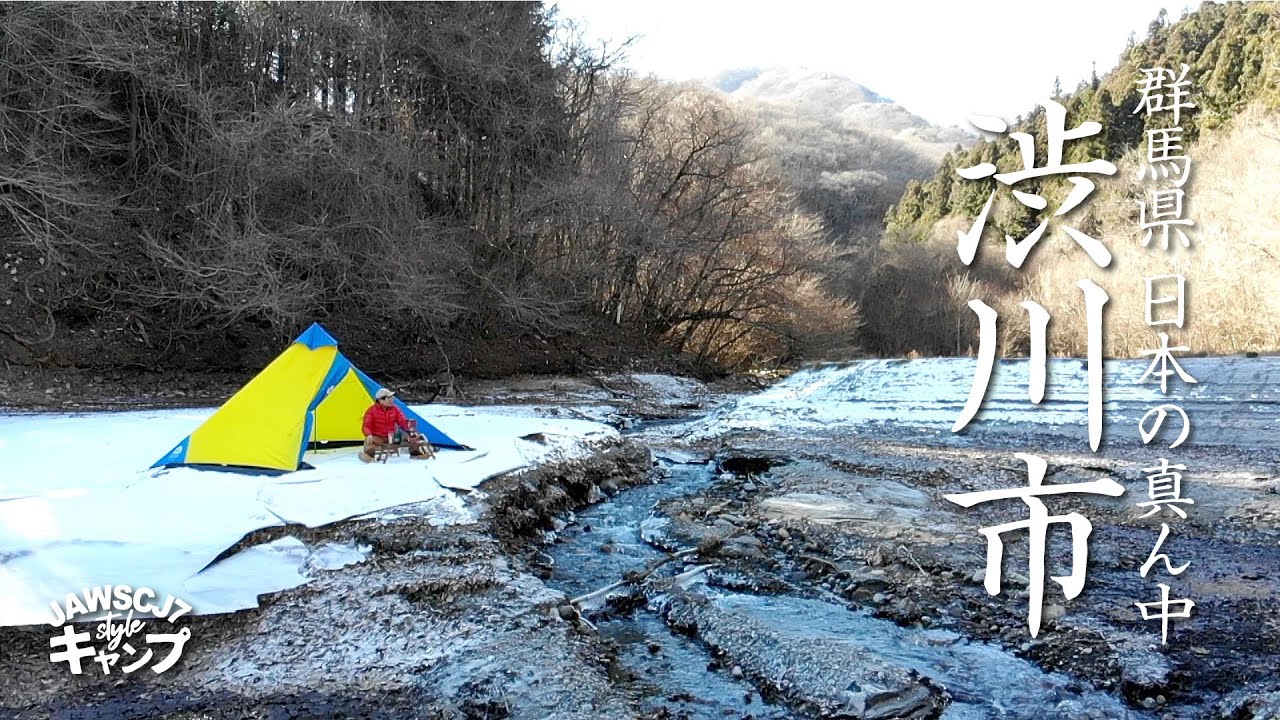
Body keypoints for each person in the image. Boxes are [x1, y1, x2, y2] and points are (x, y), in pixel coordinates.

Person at [359, 388, 433, 462]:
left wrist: (410, 430)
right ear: (380, 400)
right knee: (369, 440)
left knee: (412, 437)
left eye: (392, 397)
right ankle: (369, 456)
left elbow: (402, 422)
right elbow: (366, 426)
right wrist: (368, 435)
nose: (392, 400)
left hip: (392, 436)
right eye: (389, 398)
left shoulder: (395, 409)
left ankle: (415, 454)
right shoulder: (371, 411)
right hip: (378, 437)